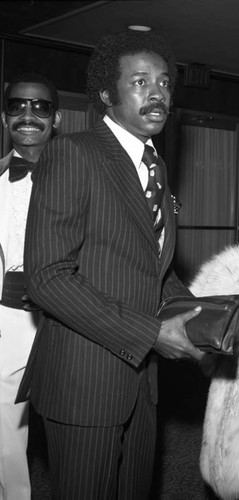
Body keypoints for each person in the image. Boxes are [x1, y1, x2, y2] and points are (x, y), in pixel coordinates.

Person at [16, 31, 204, 500]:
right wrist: (152, 334)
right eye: (140, 81)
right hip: (84, 380)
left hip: (142, 385)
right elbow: (47, 279)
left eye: (163, 82)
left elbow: (150, 268)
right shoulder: (73, 153)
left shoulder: (153, 165)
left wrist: (199, 314)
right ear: (106, 93)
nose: (157, 92)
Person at [0, 72, 61, 500]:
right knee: (6, 434)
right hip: (9, 322)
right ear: (4, 119)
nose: (28, 114)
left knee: (77, 427)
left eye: (40, 107)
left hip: (69, 319)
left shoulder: (86, 177)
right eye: (17, 106)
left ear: (56, 118)